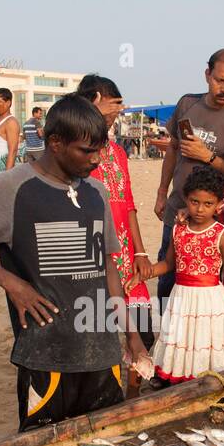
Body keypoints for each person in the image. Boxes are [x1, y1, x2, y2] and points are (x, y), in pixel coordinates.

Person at [0, 95, 150, 431]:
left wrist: (131, 333)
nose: (97, 160)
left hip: (101, 350)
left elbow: (108, 268)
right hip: (46, 355)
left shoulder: (96, 191)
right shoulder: (14, 187)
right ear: (55, 142)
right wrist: (12, 283)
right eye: (87, 151)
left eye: (101, 149)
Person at [153, 48, 224, 305]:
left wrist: (207, 156)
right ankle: (169, 336)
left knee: (208, 285)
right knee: (168, 279)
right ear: (207, 74)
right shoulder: (187, 104)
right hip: (177, 208)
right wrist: (161, 192)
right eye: (219, 80)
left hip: (214, 218)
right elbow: (173, 150)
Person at [143, 166, 224, 382]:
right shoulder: (178, 229)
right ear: (186, 198)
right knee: (180, 335)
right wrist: (146, 272)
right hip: (182, 298)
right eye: (195, 202)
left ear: (218, 205)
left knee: (204, 339)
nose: (200, 209)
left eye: (208, 204)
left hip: (210, 301)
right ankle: (175, 376)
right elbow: (167, 264)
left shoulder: (221, 234)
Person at [77, 74, 153, 347]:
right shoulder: (79, 153)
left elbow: (128, 203)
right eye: (110, 104)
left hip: (125, 250)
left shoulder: (118, 152)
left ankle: (136, 392)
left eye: (118, 105)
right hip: (97, 254)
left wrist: (140, 252)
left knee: (144, 331)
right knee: (102, 330)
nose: (115, 111)